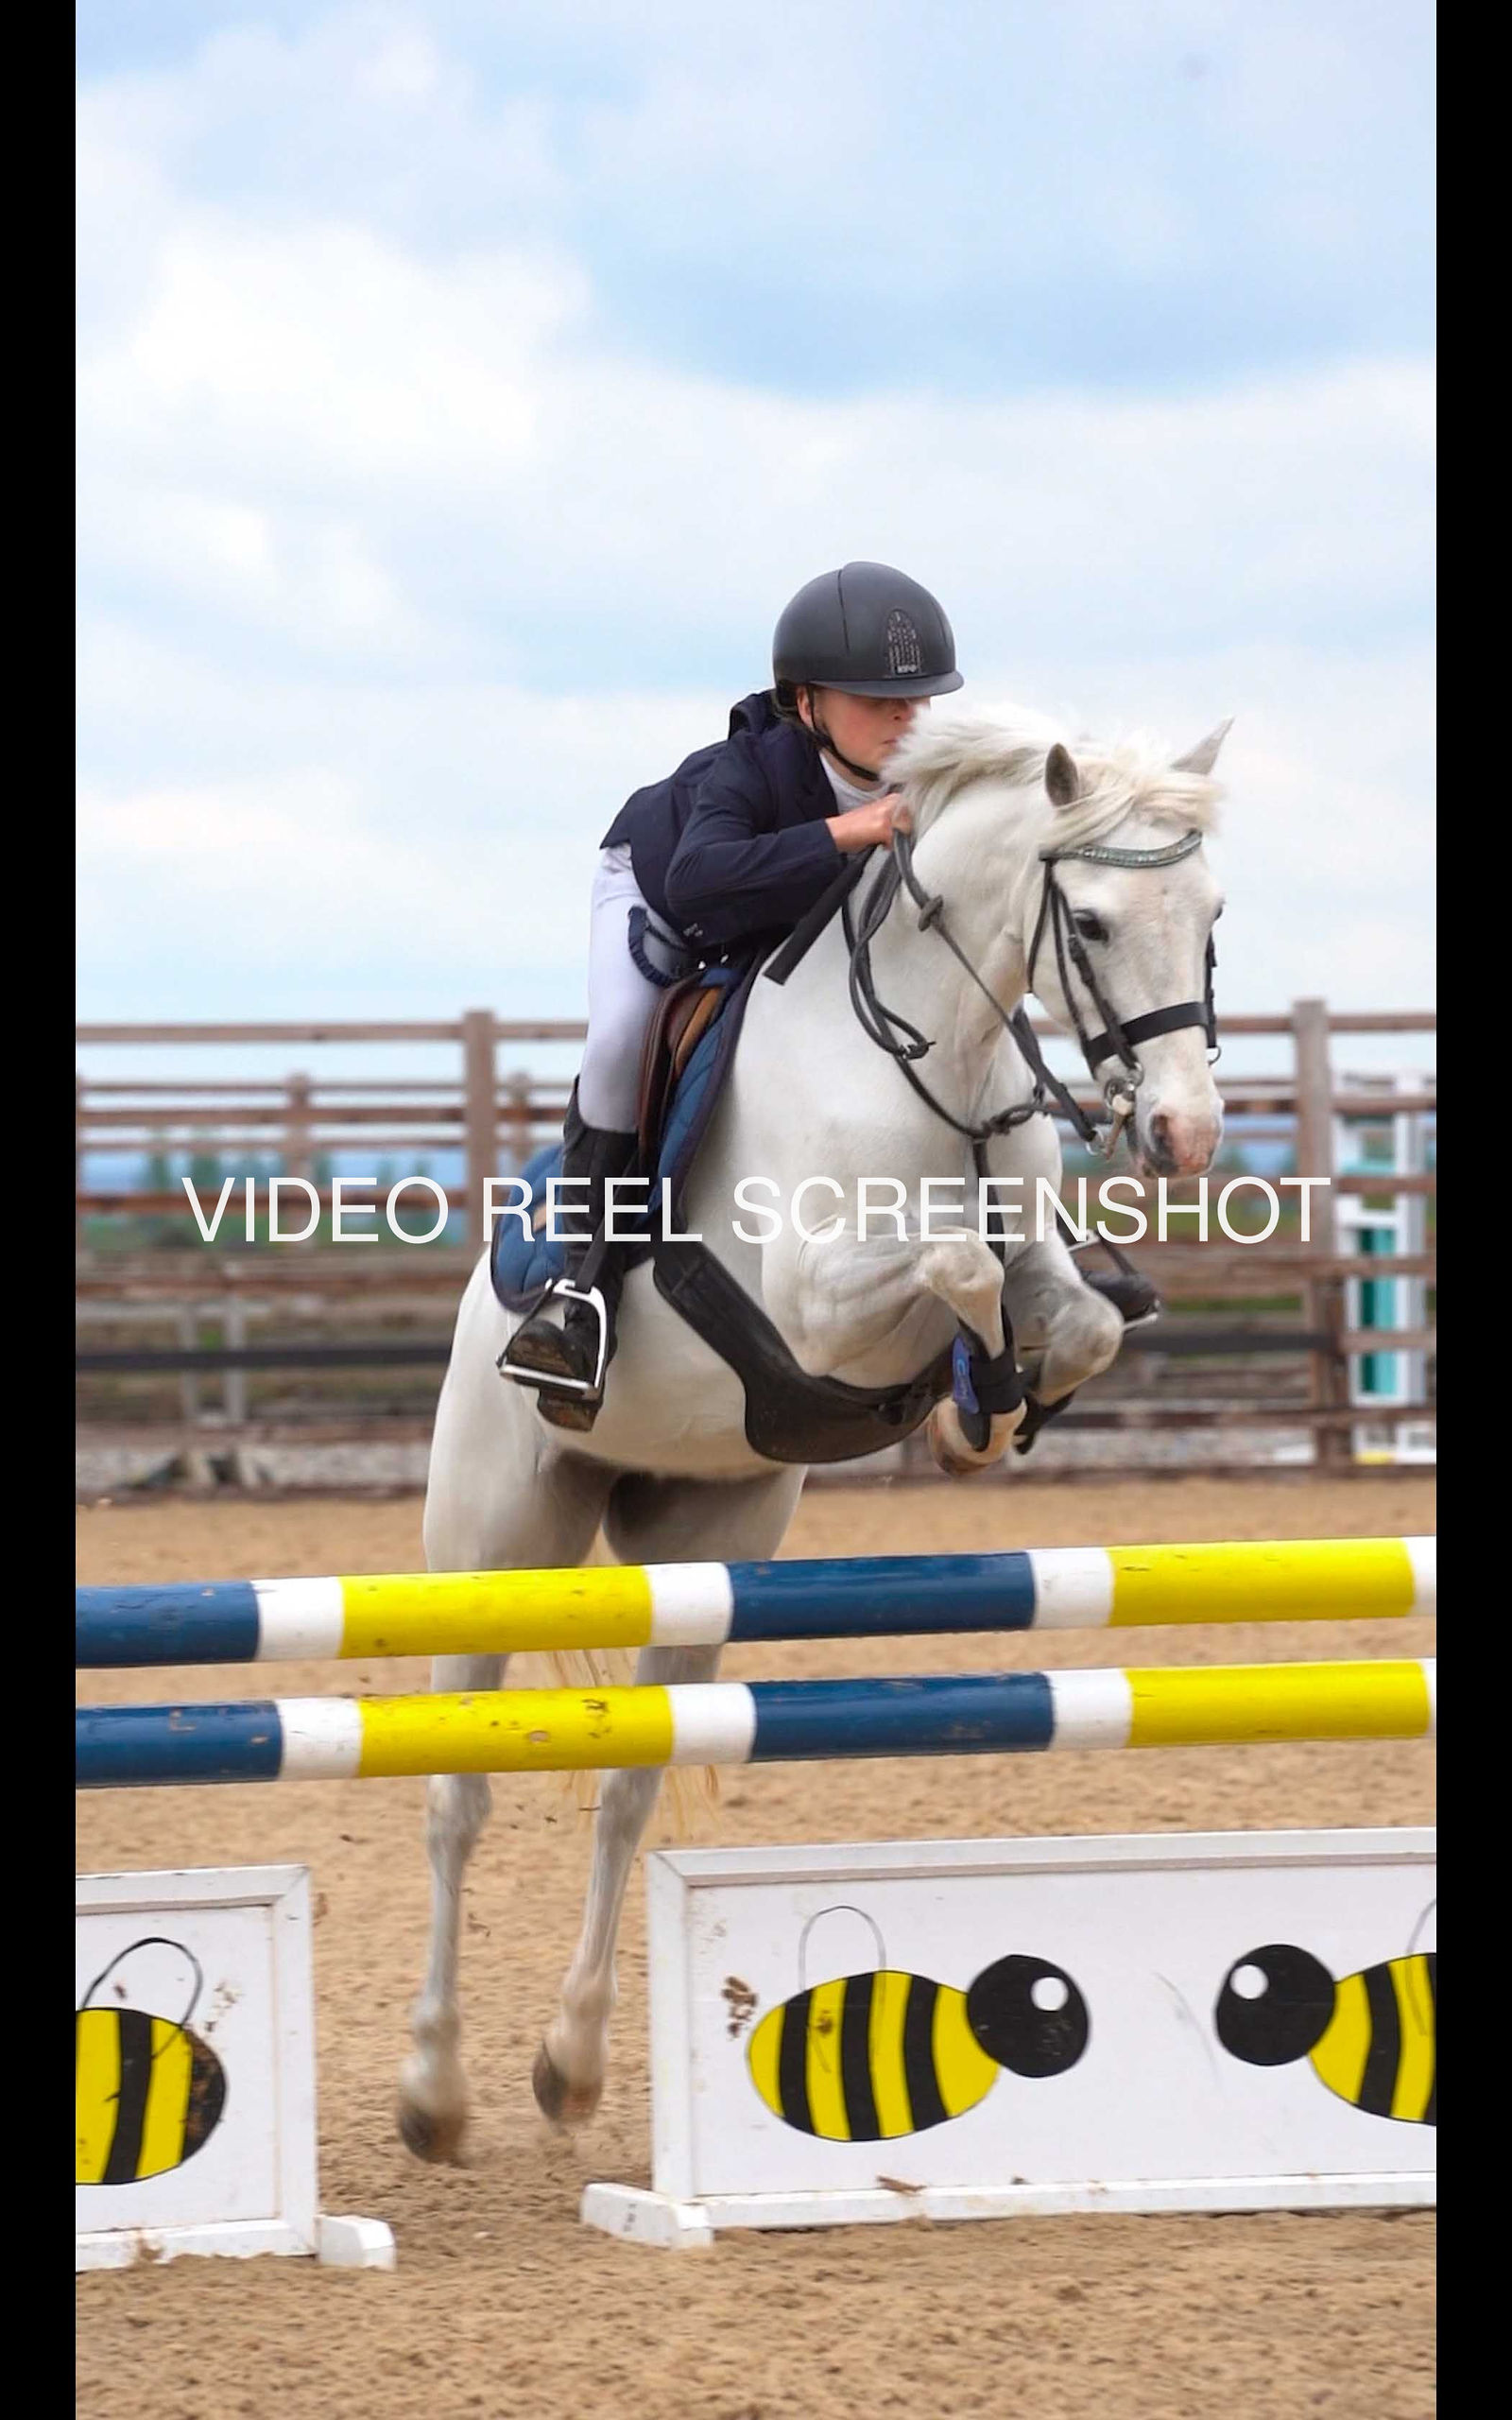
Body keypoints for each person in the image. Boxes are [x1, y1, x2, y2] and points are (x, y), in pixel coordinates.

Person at [500, 561, 964, 1428]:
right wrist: (847, 830)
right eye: (877, 700)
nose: (905, 717)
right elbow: (699, 877)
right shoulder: (751, 768)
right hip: (664, 902)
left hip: (782, 928)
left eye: (918, 698)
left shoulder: (932, 784)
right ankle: (581, 1297)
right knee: (619, 1042)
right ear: (806, 703)